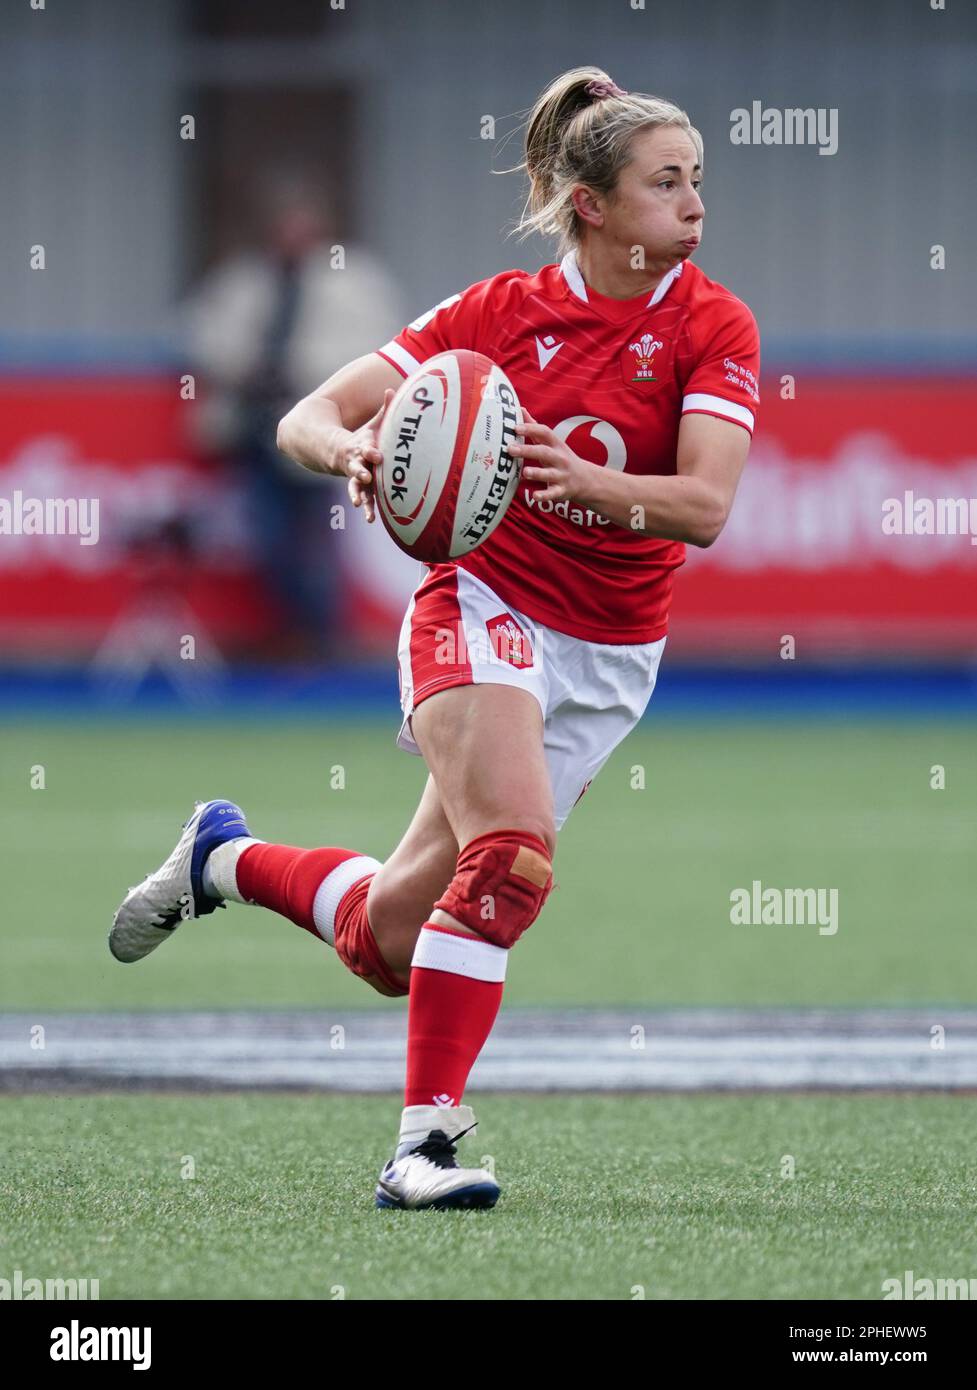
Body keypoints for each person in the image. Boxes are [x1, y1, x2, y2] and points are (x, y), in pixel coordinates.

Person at [110, 67, 761, 1211]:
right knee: (508, 857)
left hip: (610, 654)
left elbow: (704, 507)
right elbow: (305, 415)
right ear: (591, 204)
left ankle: (218, 858)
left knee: (389, 942)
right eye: (667, 184)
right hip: (482, 604)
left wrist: (589, 486)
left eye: (697, 180)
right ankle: (425, 1148)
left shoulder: (712, 323)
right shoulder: (496, 317)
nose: (694, 205)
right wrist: (349, 453)